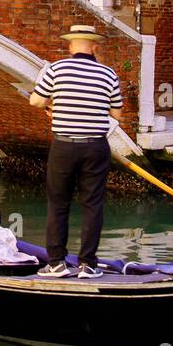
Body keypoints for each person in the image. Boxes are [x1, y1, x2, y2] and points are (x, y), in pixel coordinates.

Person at [28, 24, 122, 279]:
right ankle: (88, 265)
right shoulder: (108, 74)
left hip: (64, 146)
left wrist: (55, 105)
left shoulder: (56, 70)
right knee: (93, 205)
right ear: (94, 47)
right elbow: (116, 113)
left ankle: (57, 263)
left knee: (58, 204)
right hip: (95, 146)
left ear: (71, 46)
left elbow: (35, 100)